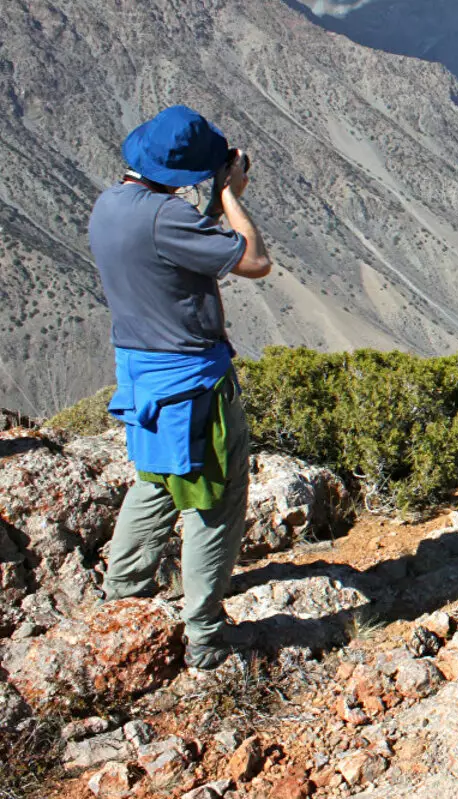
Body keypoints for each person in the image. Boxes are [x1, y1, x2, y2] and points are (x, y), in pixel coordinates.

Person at [88, 105, 272, 670]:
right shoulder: (167, 219)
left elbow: (176, 246)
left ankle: (122, 594)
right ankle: (207, 639)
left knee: (155, 483)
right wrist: (228, 197)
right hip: (193, 385)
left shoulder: (111, 205)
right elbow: (255, 261)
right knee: (213, 502)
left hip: (142, 381)